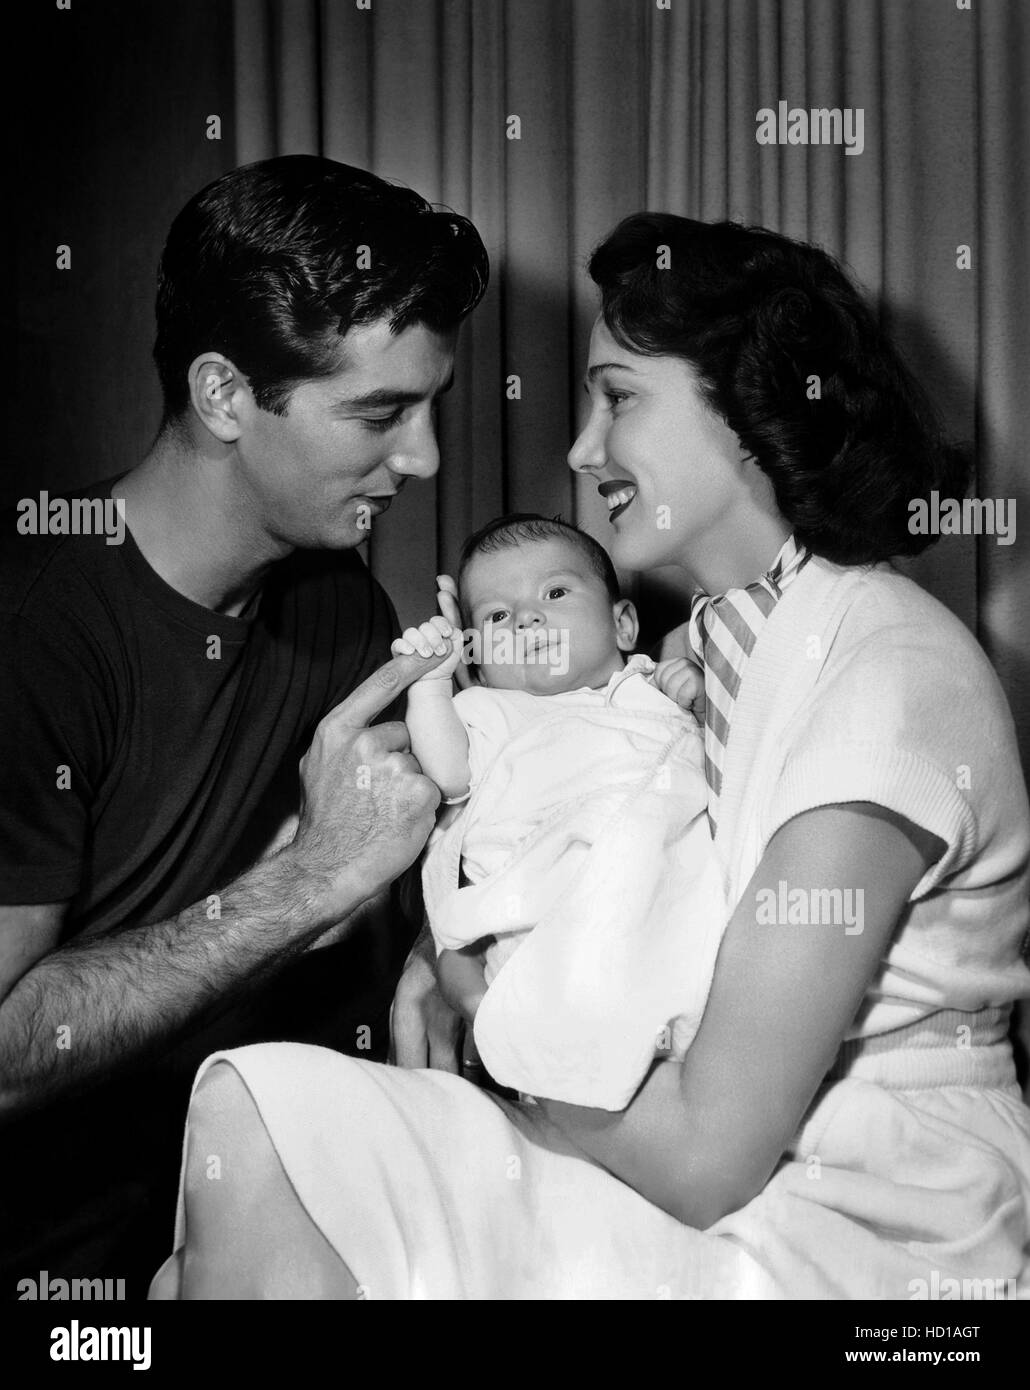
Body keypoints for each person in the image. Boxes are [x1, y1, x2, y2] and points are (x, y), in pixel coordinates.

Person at [151, 213, 1030, 1301]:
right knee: (250, 1170)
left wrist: (476, 985)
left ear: (749, 407)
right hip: (702, 1150)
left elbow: (708, 1157)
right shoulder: (703, 650)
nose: (579, 450)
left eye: (618, 397)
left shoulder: (882, 674)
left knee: (267, 1127)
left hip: (869, 1209)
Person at [0, 154, 487, 1297]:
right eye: (380, 412)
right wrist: (304, 881)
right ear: (223, 394)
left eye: (429, 408)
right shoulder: (32, 633)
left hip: (242, 1222)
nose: (423, 457)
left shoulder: (340, 609)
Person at [394, 514, 723, 1109]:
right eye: (497, 616)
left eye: (554, 593)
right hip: (543, 919)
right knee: (568, 1053)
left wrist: (691, 696)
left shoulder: (650, 691)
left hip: (660, 893)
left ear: (623, 624)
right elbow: (446, 776)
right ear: (478, 655)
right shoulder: (490, 711)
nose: (526, 618)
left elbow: (704, 770)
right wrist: (431, 687)